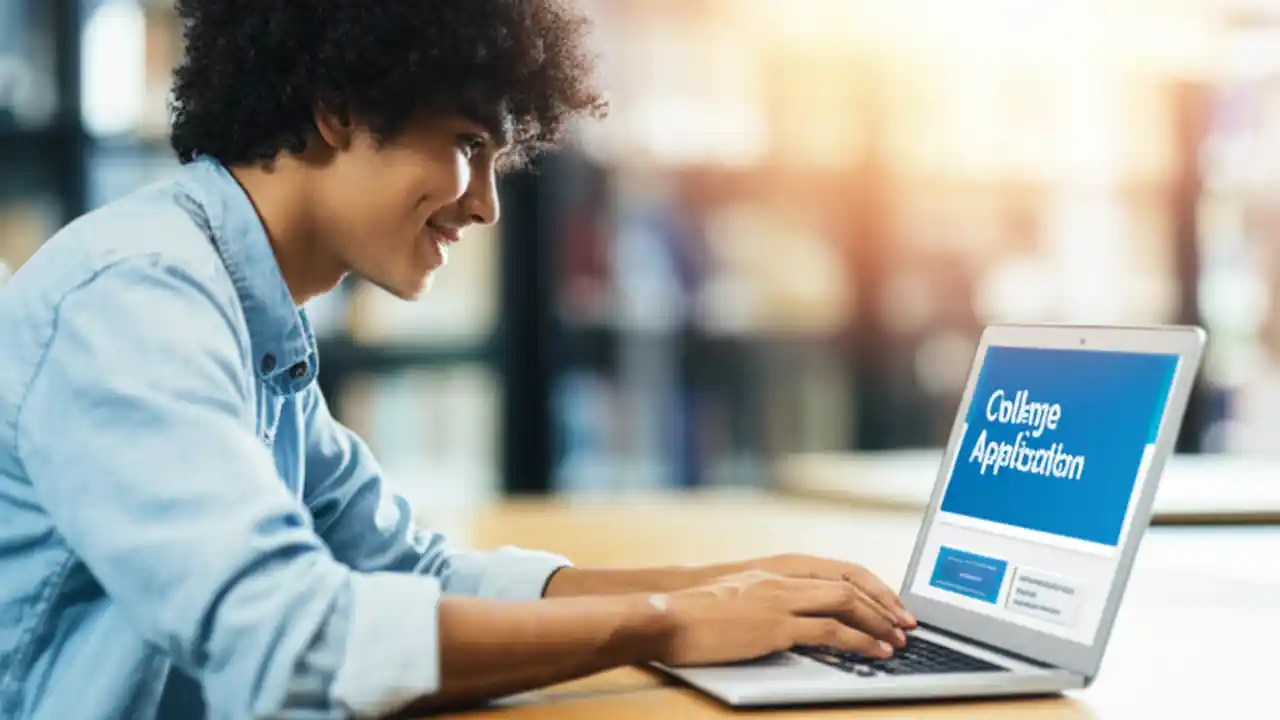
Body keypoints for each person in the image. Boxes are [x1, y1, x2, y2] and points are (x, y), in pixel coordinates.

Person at [0, 1, 915, 717]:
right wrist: (666, 625)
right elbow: (297, 640)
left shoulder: (246, 312)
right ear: (337, 109)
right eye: (469, 146)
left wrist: (716, 586)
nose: (486, 207)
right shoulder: (136, 297)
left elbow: (410, 574)